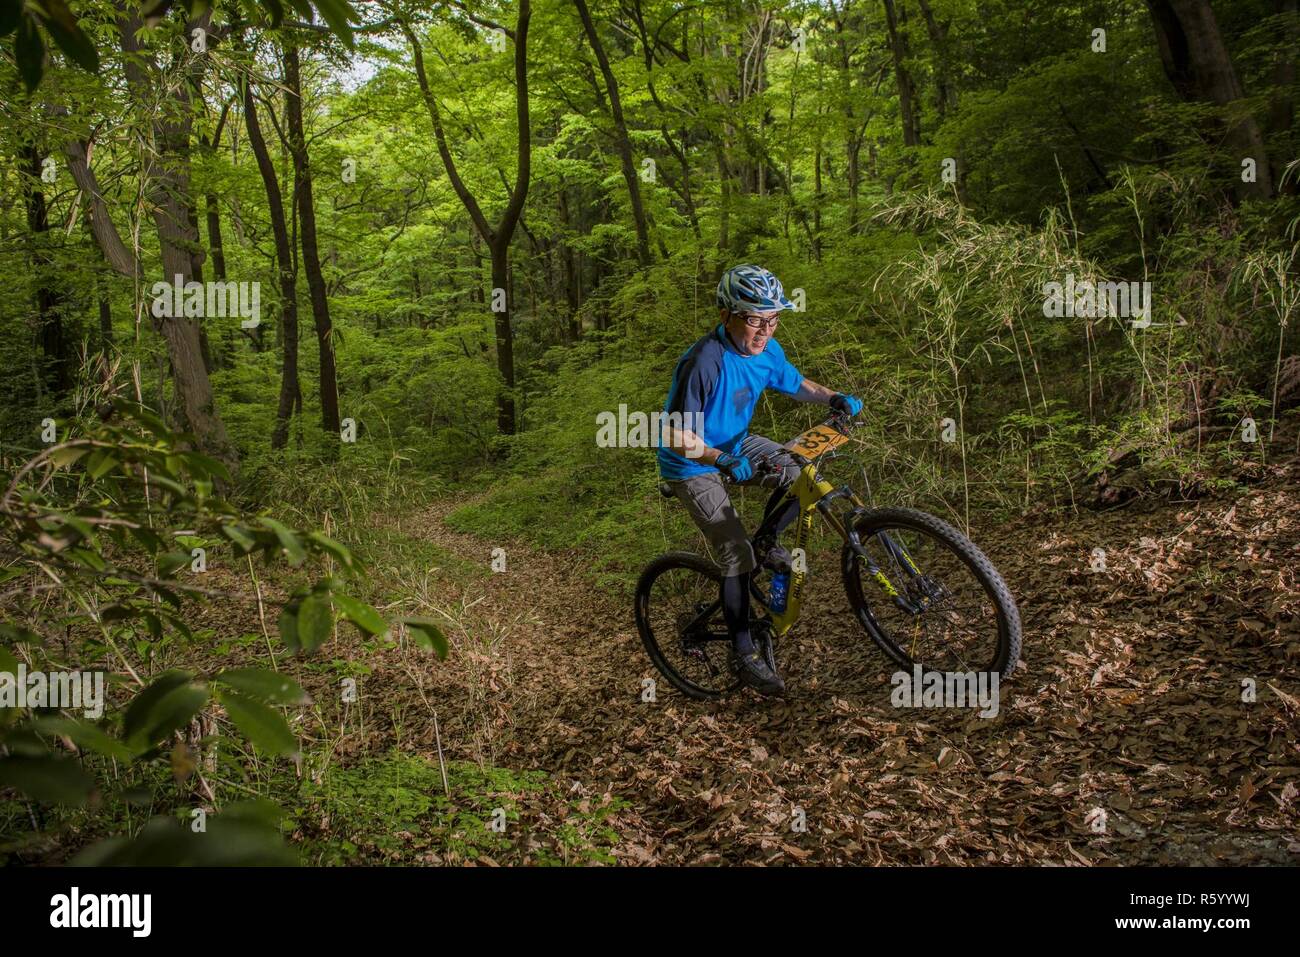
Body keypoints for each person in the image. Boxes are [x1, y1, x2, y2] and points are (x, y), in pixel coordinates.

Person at [658, 264, 862, 696]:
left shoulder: (767, 349)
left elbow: (795, 383)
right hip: (693, 461)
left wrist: (834, 397)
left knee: (799, 470)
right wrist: (721, 459)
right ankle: (743, 651)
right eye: (754, 319)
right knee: (736, 553)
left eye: (773, 319)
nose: (764, 330)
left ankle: (767, 541)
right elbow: (673, 434)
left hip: (736, 443)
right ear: (726, 314)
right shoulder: (704, 361)